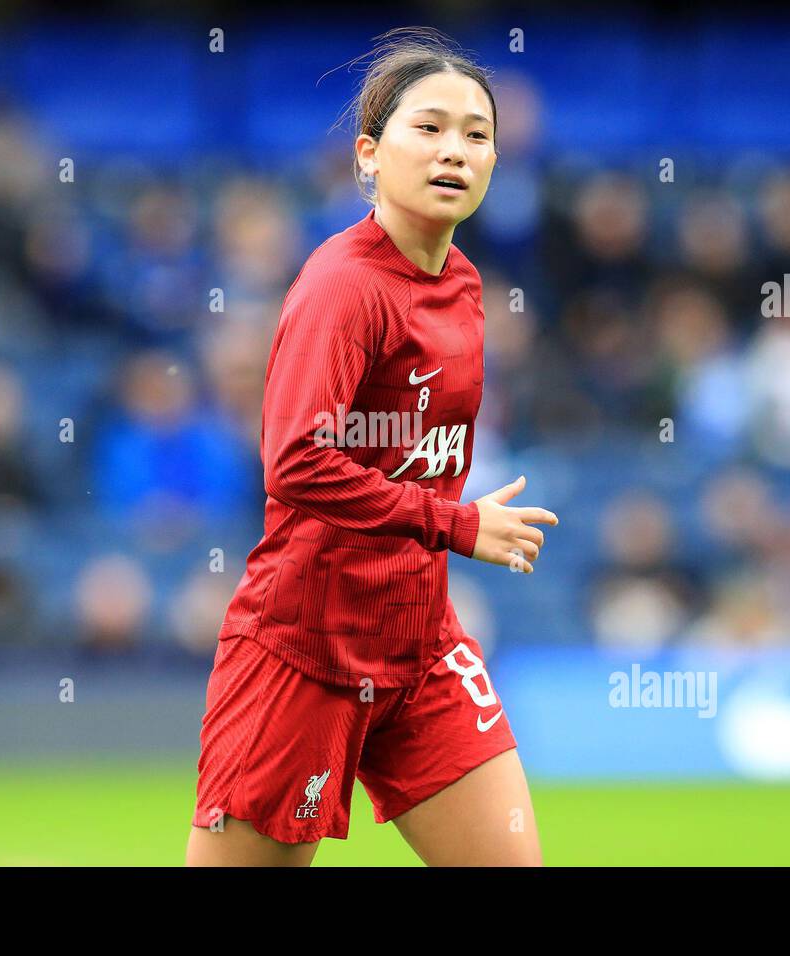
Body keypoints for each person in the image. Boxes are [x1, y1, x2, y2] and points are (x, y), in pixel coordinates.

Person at [186, 28, 558, 867]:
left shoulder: (462, 284)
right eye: (428, 128)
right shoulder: (342, 286)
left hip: (423, 644)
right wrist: (455, 525)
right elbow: (297, 461)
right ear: (368, 154)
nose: (455, 149)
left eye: (476, 133)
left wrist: (438, 540)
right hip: (306, 649)